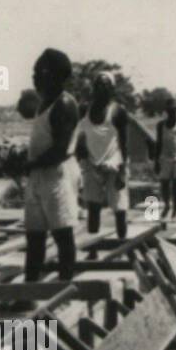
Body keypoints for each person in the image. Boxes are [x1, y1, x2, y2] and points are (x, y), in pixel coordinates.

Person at [23, 48, 80, 283]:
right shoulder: (43, 103)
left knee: (62, 235)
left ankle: (64, 290)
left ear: (56, 76)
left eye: (40, 73)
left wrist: (29, 164)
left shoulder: (64, 104)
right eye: (34, 72)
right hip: (38, 175)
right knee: (34, 237)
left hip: (57, 175)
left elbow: (59, 150)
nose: (34, 78)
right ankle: (30, 291)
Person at [75, 71, 129, 239]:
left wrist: (122, 171)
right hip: (92, 163)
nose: (101, 89)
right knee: (93, 207)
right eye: (98, 85)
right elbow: (79, 135)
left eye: (106, 85)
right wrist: (80, 158)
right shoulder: (84, 110)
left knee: (119, 209)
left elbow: (124, 143)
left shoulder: (118, 111)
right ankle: (92, 248)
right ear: (94, 88)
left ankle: (123, 246)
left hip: (114, 162)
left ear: (112, 89)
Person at [155, 96, 176, 219]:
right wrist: (156, 161)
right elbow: (158, 143)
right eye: (170, 111)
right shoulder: (160, 125)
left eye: (174, 110)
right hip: (164, 157)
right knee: (164, 183)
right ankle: (167, 205)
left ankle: (175, 210)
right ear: (166, 111)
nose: (172, 113)